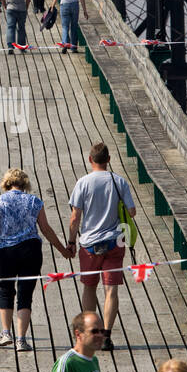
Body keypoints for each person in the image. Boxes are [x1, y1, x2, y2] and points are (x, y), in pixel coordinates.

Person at [0, 168, 73, 351]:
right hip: (31, 250)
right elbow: (46, 229)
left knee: (6, 291)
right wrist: (62, 250)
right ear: (25, 183)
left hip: (5, 251)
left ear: (7, 183)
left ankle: (5, 333)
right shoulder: (34, 201)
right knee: (25, 295)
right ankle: (21, 339)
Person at [68, 141, 136, 351]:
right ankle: (106, 335)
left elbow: (75, 216)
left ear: (90, 160)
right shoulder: (119, 181)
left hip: (89, 243)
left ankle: (90, 334)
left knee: (89, 287)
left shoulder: (83, 183)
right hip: (115, 241)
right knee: (111, 290)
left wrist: (71, 242)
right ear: (108, 160)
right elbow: (131, 212)